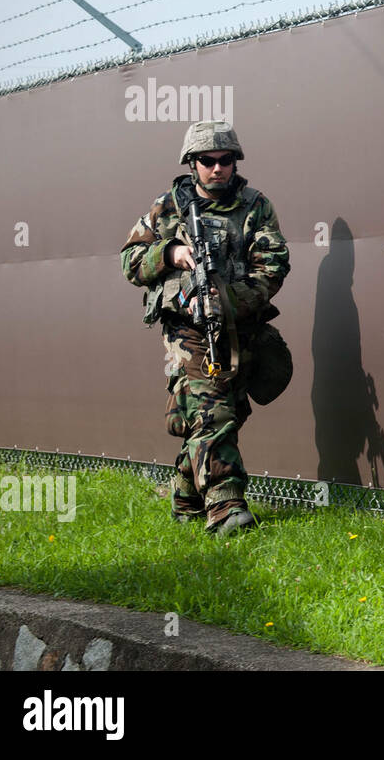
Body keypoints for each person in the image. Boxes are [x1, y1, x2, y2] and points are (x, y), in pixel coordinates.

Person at [121, 121, 290, 535]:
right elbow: (130, 263)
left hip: (238, 324)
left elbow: (273, 267)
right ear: (191, 163)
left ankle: (184, 494)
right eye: (207, 161)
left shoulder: (255, 206)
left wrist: (227, 299)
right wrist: (171, 253)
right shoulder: (167, 208)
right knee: (213, 413)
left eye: (225, 160)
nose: (217, 169)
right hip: (187, 330)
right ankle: (226, 508)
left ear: (235, 162)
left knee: (228, 411)